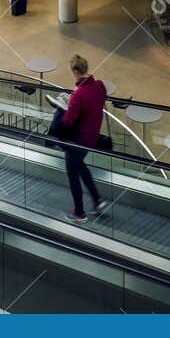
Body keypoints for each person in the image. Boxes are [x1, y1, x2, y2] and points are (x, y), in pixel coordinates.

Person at [56, 54, 107, 222]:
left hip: (78, 140)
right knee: (80, 166)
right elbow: (94, 104)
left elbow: (69, 121)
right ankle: (97, 200)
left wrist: (63, 110)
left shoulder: (79, 94)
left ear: (75, 71)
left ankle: (79, 213)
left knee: (72, 173)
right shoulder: (100, 86)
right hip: (93, 137)